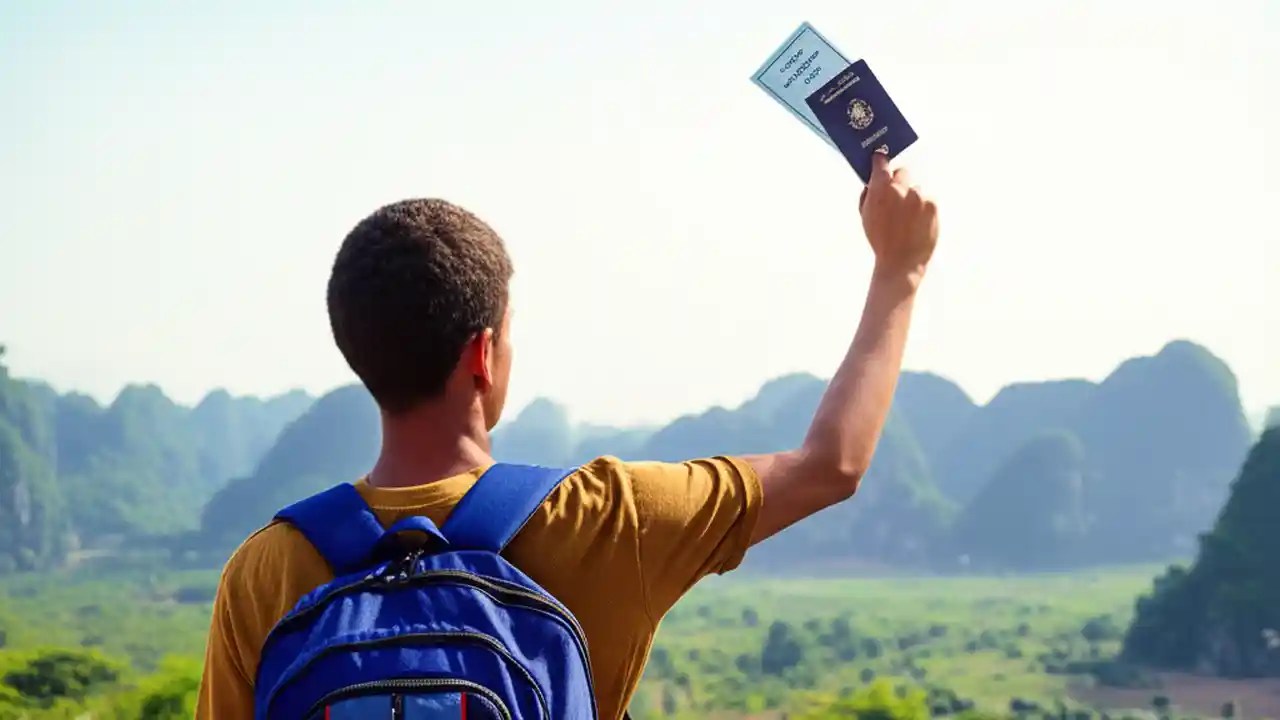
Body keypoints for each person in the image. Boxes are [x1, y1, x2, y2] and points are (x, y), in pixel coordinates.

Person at [195, 151, 939, 719]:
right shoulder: (607, 519)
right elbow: (831, 464)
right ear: (483, 356)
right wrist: (898, 271)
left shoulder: (266, 571)